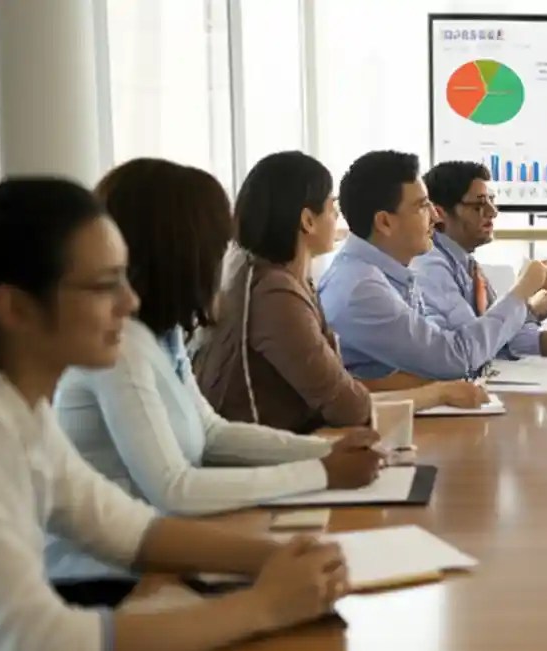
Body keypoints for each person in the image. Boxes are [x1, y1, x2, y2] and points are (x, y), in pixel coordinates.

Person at [0, 178, 354, 651]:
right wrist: (261, 607)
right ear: (15, 308)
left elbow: (126, 529)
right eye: (103, 285)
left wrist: (278, 559)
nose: (128, 301)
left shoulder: (21, 408)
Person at [49, 159, 382, 587]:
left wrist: (320, 454)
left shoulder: (161, 334)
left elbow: (213, 434)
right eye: (216, 245)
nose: (223, 259)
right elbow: (173, 488)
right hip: (103, 580)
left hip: (154, 559)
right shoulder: (121, 348)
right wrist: (322, 472)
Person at [194, 151, 485, 433]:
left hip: (288, 438)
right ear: (308, 220)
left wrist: (433, 389)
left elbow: (343, 391)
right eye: (331, 204)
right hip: (265, 451)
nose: (337, 213)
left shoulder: (282, 279)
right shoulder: (275, 293)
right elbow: (347, 407)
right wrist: (438, 393)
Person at [318, 151, 547, 381]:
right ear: (385, 222)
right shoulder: (362, 288)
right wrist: (521, 290)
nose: (435, 216)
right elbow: (454, 358)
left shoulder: (389, 274)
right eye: (422, 206)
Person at [414, 160, 547, 358]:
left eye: (492, 201)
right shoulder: (431, 266)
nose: (493, 212)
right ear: (439, 214)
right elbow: (472, 345)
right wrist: (522, 289)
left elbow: (498, 335)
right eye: (479, 205)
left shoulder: (465, 263)